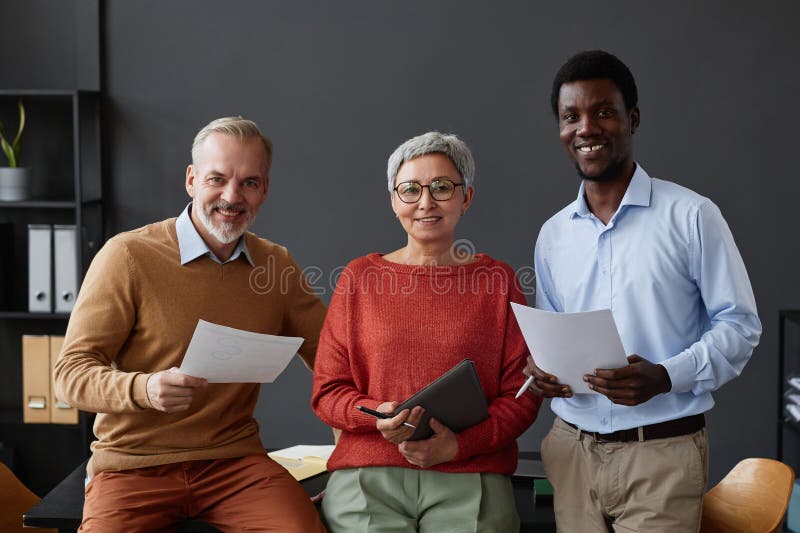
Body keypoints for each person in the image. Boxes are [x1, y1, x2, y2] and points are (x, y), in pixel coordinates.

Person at [525, 50, 762, 532]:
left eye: (603, 111)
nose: (586, 128)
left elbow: (740, 326)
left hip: (661, 455)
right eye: (572, 116)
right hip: (572, 453)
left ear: (632, 119)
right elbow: (552, 338)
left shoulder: (693, 217)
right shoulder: (553, 235)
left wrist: (667, 376)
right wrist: (543, 371)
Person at [54, 116, 328, 532]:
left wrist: (356, 459)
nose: (232, 197)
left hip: (234, 465)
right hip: (133, 466)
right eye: (217, 179)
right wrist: (144, 388)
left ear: (264, 190)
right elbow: (69, 376)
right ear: (191, 180)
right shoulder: (127, 256)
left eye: (249, 183)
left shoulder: (276, 265)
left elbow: (335, 358)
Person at [311, 131, 540, 533]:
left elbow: (521, 395)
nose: (426, 202)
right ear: (393, 200)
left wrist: (459, 446)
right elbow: (328, 392)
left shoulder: (499, 281)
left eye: (441, 187)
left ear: (466, 197)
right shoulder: (359, 278)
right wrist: (376, 416)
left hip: (471, 475)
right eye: (410, 189)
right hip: (369, 475)